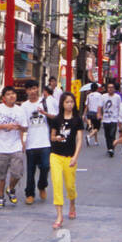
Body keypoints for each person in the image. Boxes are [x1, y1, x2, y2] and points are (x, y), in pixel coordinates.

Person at [48, 92, 84, 229]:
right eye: (67, 102)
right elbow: (52, 136)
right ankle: (59, 215)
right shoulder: (56, 119)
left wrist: (75, 157)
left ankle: (72, 204)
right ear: (62, 104)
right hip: (55, 155)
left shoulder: (77, 120)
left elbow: (79, 140)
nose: (70, 104)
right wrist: (56, 138)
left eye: (71, 102)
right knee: (57, 184)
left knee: (70, 186)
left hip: (69, 156)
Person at [0, 85, 27, 208]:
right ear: (4, 97)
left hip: (15, 146)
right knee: (0, 174)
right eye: (8, 94)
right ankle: (0, 197)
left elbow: (25, 127)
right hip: (0, 147)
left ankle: (10, 188)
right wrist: (5, 126)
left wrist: (19, 127)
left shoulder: (20, 110)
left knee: (17, 173)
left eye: (13, 94)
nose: (12, 96)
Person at [21, 82, 52, 206]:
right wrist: (22, 141)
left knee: (45, 166)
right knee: (30, 170)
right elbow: (23, 125)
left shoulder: (45, 102)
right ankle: (29, 194)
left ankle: (42, 185)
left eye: (34, 88)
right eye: (29, 89)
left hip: (45, 141)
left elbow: (54, 118)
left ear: (38, 88)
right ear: (26, 91)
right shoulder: (24, 106)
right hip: (31, 143)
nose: (32, 91)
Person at [100, 81, 121, 156]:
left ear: (114, 89)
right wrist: (99, 114)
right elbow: (100, 106)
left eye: (112, 88)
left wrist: (119, 118)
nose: (110, 89)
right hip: (106, 118)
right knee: (107, 135)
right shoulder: (103, 96)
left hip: (114, 119)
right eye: (109, 87)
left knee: (112, 134)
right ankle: (109, 148)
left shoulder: (117, 97)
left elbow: (119, 107)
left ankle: (112, 148)